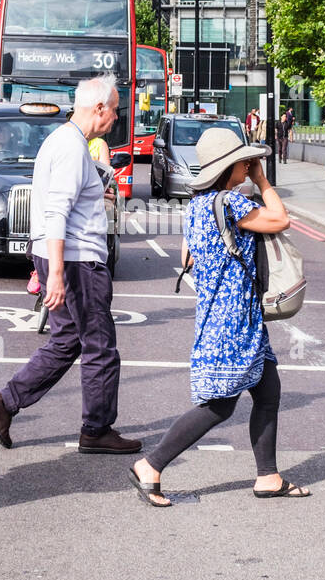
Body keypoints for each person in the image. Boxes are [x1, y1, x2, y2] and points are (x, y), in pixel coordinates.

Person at [129, 129, 307, 506]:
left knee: (268, 390)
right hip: (234, 319)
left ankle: (268, 476)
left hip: (221, 314)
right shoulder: (230, 203)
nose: (249, 166)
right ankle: (152, 464)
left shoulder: (197, 206)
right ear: (230, 167)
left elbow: (185, 259)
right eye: (245, 162)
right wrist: (262, 181)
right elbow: (280, 220)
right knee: (220, 405)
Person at [0, 74, 140, 455]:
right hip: (78, 260)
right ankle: (97, 429)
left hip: (66, 257)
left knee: (68, 339)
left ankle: (5, 402)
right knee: (100, 347)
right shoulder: (71, 147)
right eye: (115, 109)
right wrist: (55, 275)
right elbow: (57, 212)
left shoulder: (64, 141)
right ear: (98, 108)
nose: (116, 117)